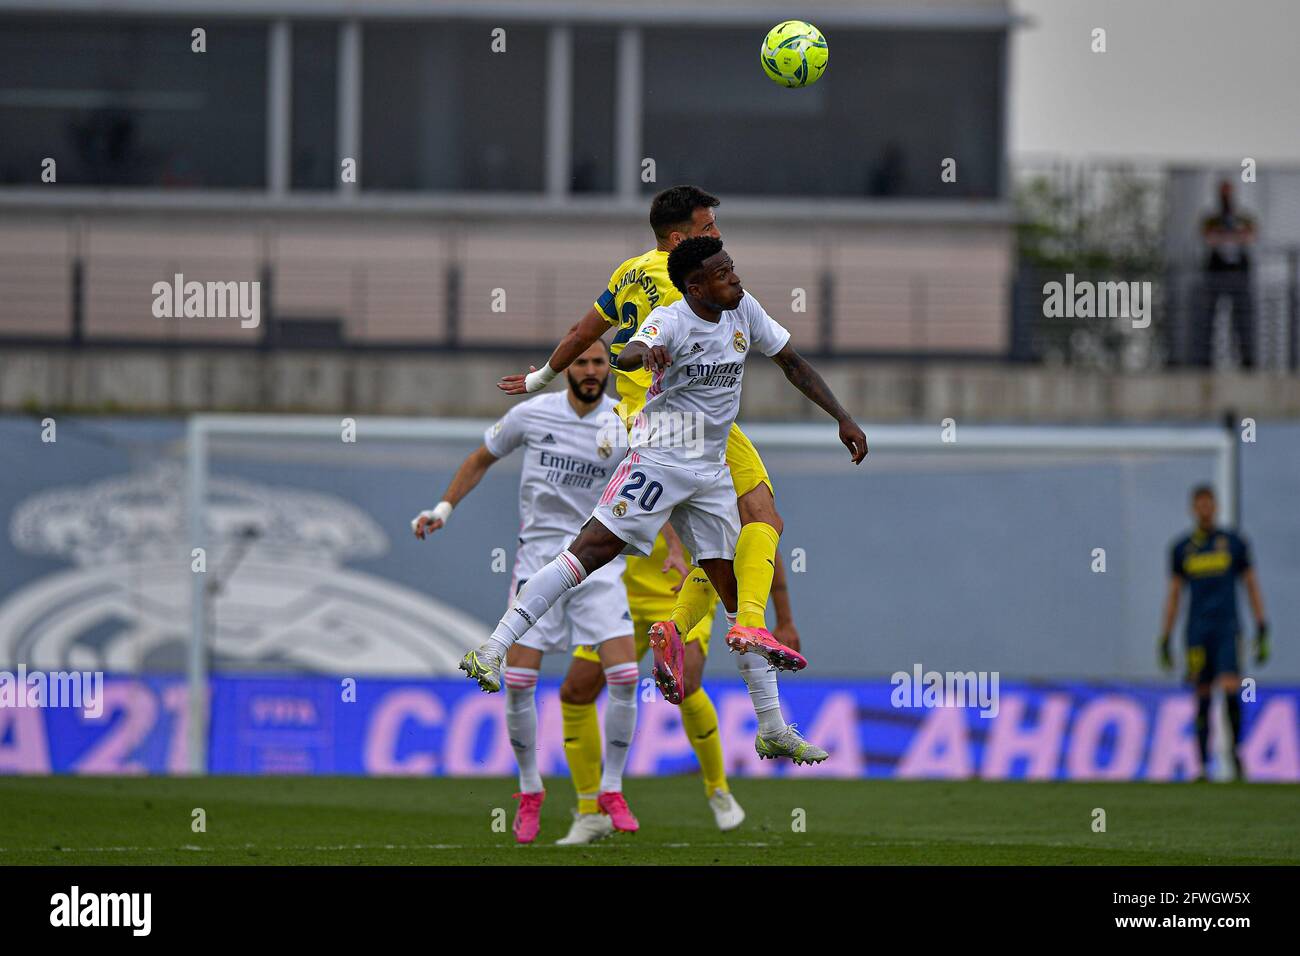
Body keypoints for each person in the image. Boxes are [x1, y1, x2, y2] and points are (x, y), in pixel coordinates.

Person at [461, 236, 868, 768]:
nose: (736, 278)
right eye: (723, 274)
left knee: (739, 605)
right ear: (695, 286)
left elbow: (793, 363)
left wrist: (842, 416)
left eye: (733, 268)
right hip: (658, 461)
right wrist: (641, 352)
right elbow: (625, 348)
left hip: (711, 471)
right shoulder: (673, 320)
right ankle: (492, 648)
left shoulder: (743, 309)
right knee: (589, 552)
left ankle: (770, 728)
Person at [497, 186, 804, 693]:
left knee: (715, 551)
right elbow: (657, 340)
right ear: (681, 240)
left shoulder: (628, 272)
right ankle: (743, 628)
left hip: (635, 417)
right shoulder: (688, 281)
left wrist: (540, 378)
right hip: (688, 423)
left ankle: (693, 635)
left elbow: (584, 329)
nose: (718, 238)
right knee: (763, 519)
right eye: (708, 230)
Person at [411, 342, 641, 845]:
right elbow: (480, 457)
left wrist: (671, 547)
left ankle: (611, 788)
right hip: (538, 559)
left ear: (609, 368)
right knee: (518, 683)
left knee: (625, 675)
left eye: (598, 361)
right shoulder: (532, 413)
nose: (589, 370)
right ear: (566, 369)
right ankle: (531, 789)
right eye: (580, 361)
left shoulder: (625, 423)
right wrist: (443, 509)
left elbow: (649, 487)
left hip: (595, 559)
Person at [1159, 485, 1269, 780]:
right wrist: (1165, 637)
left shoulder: (1233, 543)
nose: (1205, 510)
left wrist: (1262, 625)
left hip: (1227, 629)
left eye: (1209, 505)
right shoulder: (1181, 548)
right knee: (1202, 694)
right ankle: (1202, 765)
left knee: (1232, 688)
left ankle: (1236, 756)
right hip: (1197, 631)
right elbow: (1174, 595)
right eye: (1200, 505)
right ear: (1193, 509)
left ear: (1215, 507)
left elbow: (1250, 584)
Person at [1193, 180, 1257, 368]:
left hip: (1239, 275)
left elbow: (1249, 237)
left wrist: (1227, 236)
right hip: (1216, 276)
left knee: (1243, 320)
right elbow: (1209, 238)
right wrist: (1231, 236)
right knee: (1209, 319)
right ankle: (1206, 360)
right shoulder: (1212, 219)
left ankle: (1247, 359)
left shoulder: (1243, 217)